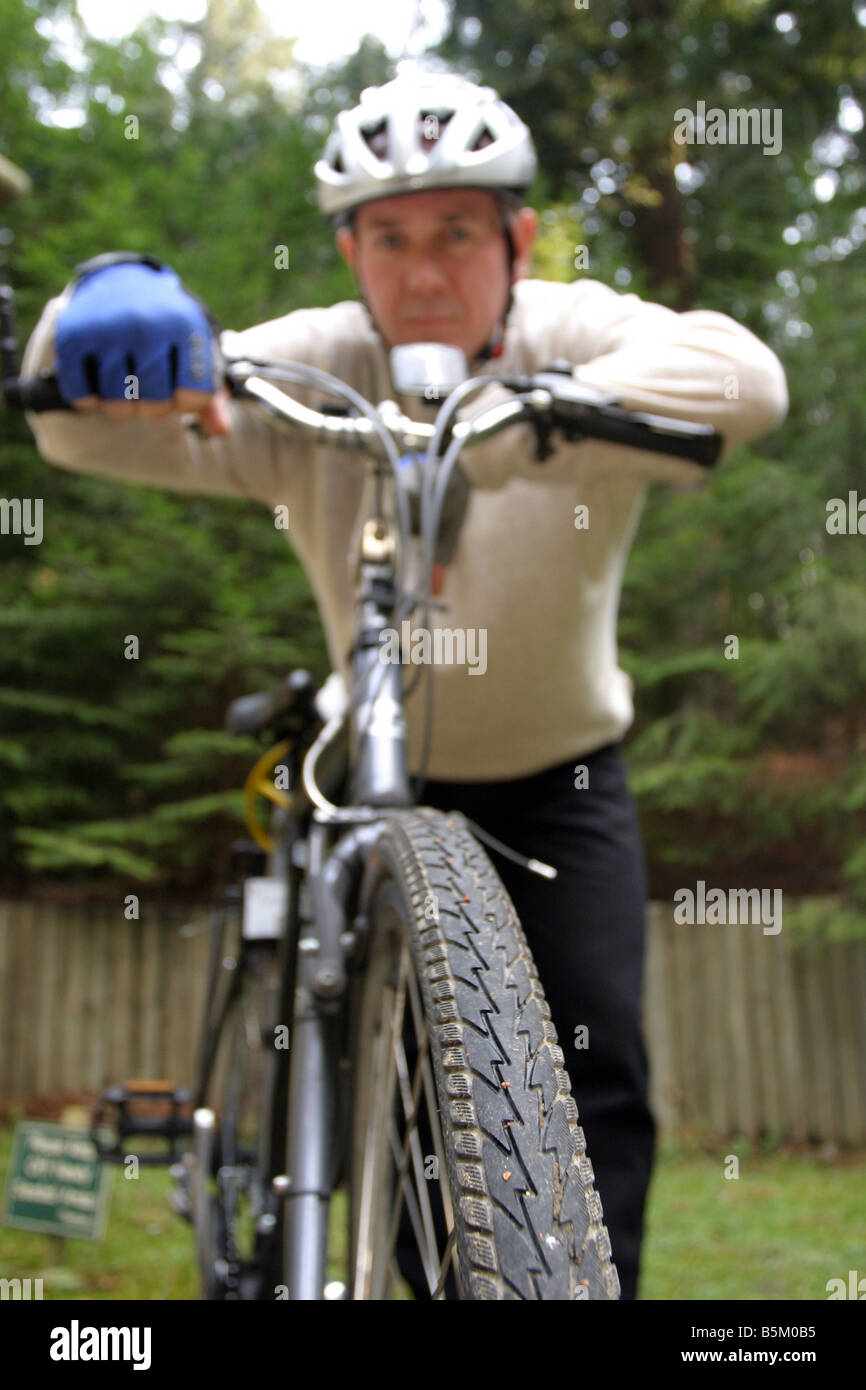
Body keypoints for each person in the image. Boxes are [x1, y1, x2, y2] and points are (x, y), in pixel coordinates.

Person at [22, 71, 788, 1299]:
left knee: (597, 1088)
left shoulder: (571, 332)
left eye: (456, 233)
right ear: (348, 247)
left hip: (564, 778)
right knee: (401, 1091)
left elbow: (745, 380)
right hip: (369, 767)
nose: (422, 273)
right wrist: (99, 303)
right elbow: (73, 422)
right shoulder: (317, 361)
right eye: (388, 238)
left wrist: (532, 417)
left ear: (516, 241)